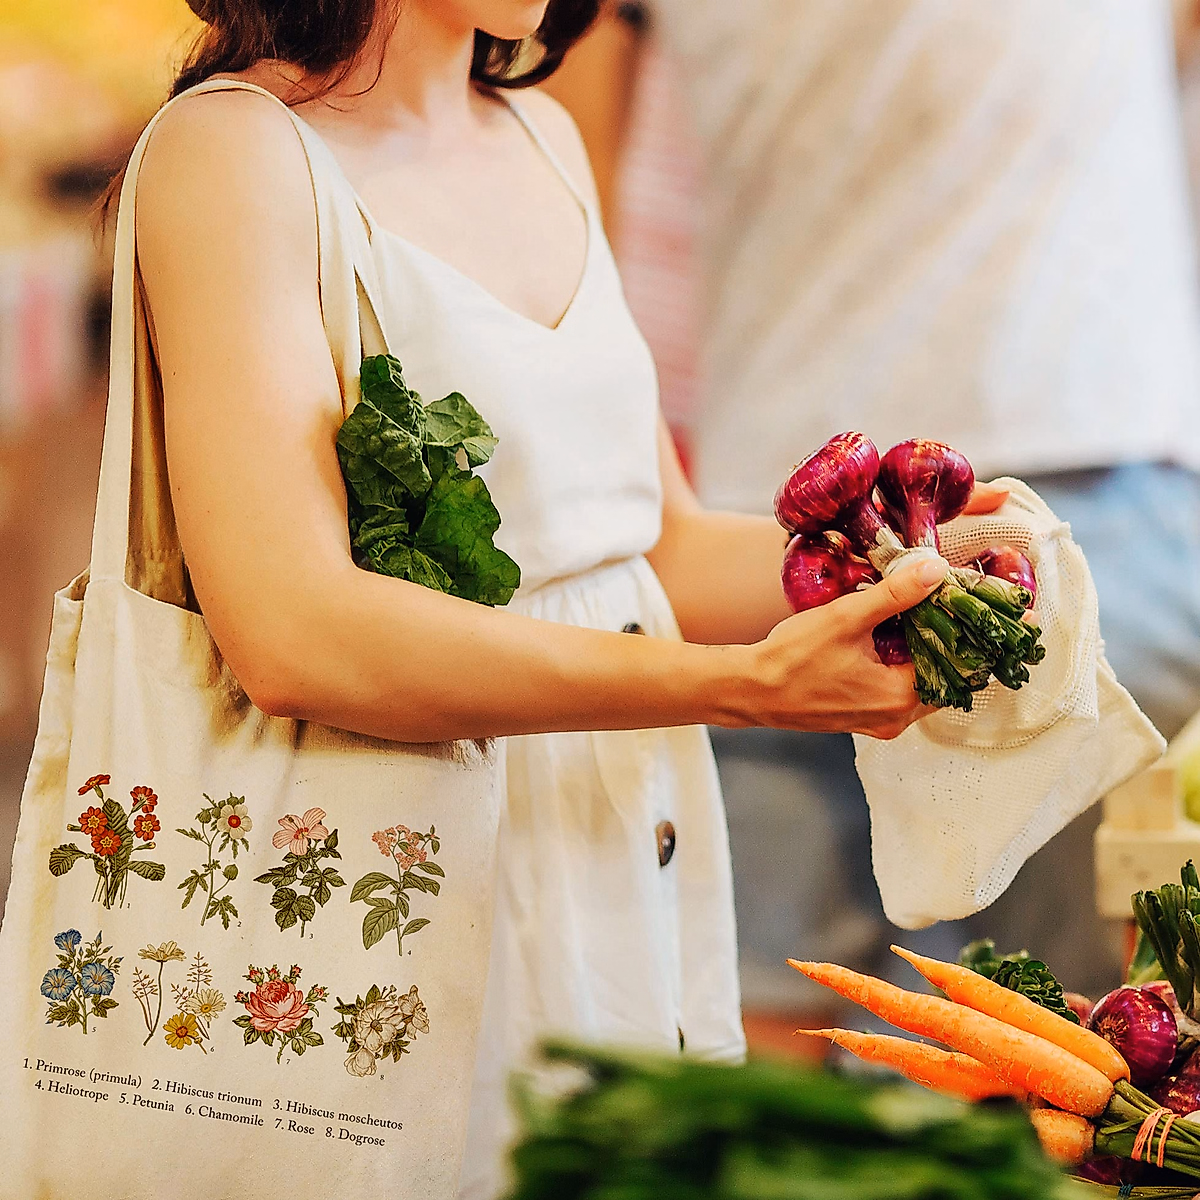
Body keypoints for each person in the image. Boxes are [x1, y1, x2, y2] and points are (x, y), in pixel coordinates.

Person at [103, 0, 1011, 1193]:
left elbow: (651, 547)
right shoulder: (234, 154)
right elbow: (293, 634)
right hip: (388, 893)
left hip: (624, 859)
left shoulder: (541, 135)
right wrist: (739, 691)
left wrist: (910, 565)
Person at [549, 0, 1200, 1009]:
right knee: (767, 1049)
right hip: (767, 546)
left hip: (1090, 475)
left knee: (1101, 1052)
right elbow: (566, 165)